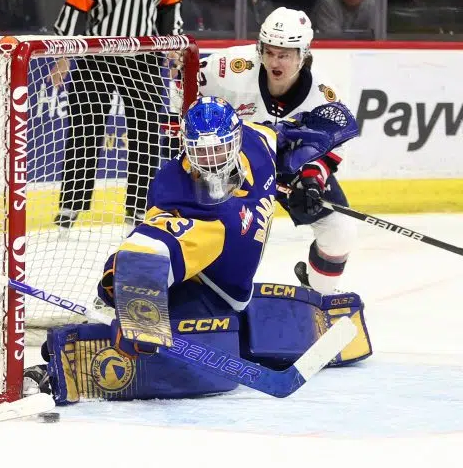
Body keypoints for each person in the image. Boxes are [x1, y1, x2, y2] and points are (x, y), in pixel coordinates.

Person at [24, 97, 365, 404]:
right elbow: (146, 249)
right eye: (199, 151)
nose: (210, 160)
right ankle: (57, 368)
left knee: (276, 332)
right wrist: (136, 307)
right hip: (197, 290)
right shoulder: (183, 195)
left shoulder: (257, 142)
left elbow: (303, 132)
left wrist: (312, 159)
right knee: (191, 371)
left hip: (234, 294)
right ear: (186, 146)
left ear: (236, 139)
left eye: (218, 149)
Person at [197, 7, 354, 294]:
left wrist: (311, 182)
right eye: (268, 52)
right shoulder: (227, 68)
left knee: (339, 231)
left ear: (303, 54)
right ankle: (199, 294)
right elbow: (182, 91)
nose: (274, 61)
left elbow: (326, 148)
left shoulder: (323, 94)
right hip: (229, 164)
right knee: (224, 234)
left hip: (288, 166)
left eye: (284, 54)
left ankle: (319, 296)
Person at [52, 0, 183, 228]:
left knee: (145, 133)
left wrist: (173, 47)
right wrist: (65, 57)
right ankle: (71, 205)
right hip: (98, 57)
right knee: (85, 129)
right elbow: (76, 7)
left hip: (143, 59)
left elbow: (170, 9)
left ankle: (139, 207)